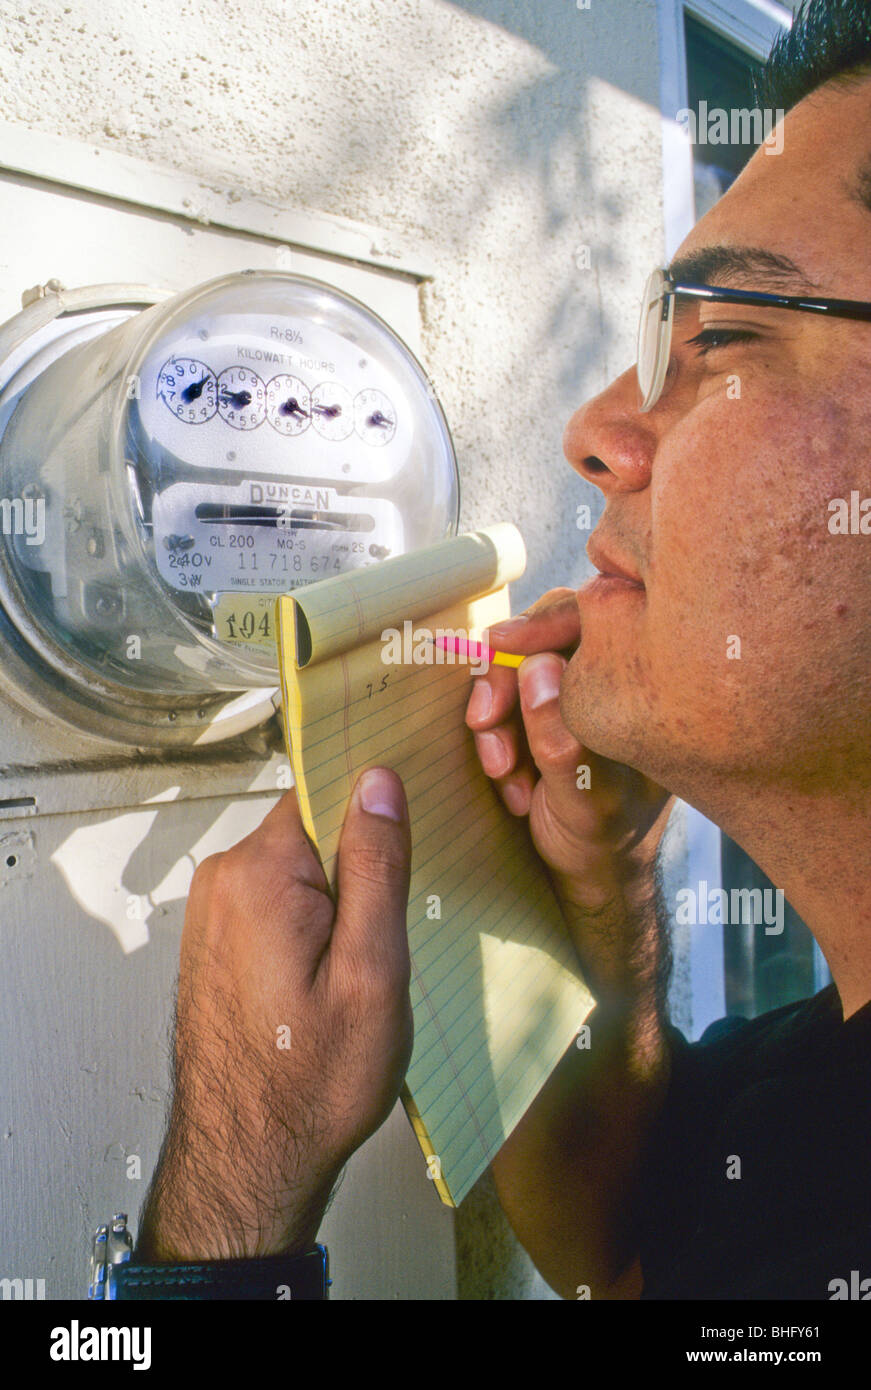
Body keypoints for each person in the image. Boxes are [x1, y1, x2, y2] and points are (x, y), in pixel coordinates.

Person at [132, 0, 871, 1299]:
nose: (596, 430)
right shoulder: (821, 1092)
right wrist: (606, 909)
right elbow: (634, 1251)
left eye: (730, 338)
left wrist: (231, 1180)